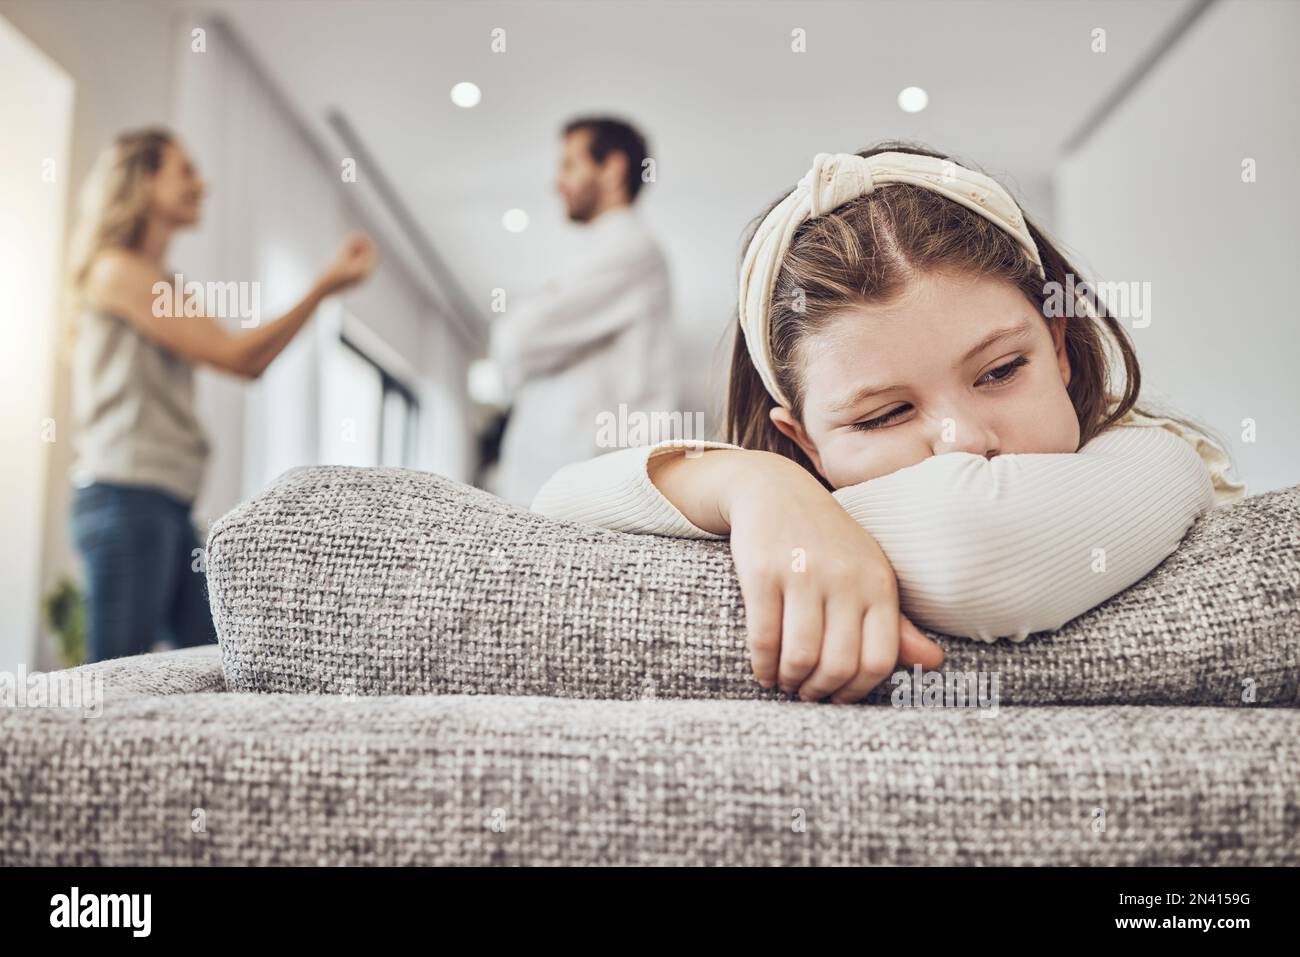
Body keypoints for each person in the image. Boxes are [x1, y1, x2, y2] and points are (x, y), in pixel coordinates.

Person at [530, 141, 1246, 703]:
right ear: (803, 440)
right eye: (884, 414)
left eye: (1001, 371)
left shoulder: (1161, 458)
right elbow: (557, 503)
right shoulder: (784, 483)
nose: (963, 439)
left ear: (1058, 350)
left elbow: (978, 549)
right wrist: (757, 484)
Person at [65, 127, 376, 662]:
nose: (201, 185)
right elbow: (239, 358)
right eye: (184, 171)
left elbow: (243, 358)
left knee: (218, 658)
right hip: (126, 496)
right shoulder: (120, 272)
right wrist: (324, 286)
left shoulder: (161, 281)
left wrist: (326, 288)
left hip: (163, 502)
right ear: (143, 181)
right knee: (114, 686)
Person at [488, 116, 674, 506]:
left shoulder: (630, 249)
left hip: (580, 492)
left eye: (570, 165)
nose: (557, 182)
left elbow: (518, 339)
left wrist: (526, 318)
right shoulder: (599, 252)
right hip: (555, 490)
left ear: (613, 168)